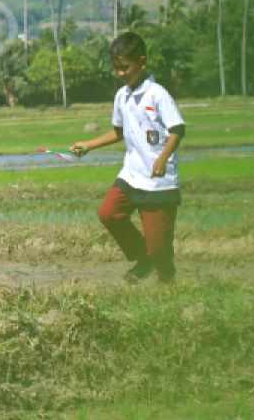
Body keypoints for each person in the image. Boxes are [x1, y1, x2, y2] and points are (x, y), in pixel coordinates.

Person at [71, 31, 184, 283]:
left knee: (159, 248)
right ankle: (143, 259)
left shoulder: (157, 94)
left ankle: (169, 286)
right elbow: (118, 132)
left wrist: (163, 158)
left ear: (142, 63)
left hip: (158, 180)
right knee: (109, 213)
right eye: (117, 68)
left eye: (125, 68)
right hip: (133, 174)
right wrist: (88, 145)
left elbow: (178, 129)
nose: (121, 73)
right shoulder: (122, 96)